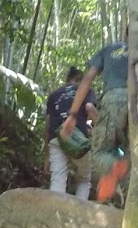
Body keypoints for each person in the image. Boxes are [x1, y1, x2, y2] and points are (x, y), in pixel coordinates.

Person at [61, 35, 129, 201]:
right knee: (131, 151)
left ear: (126, 34)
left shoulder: (109, 49)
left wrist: (72, 114)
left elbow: (88, 79)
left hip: (114, 99)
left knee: (99, 152)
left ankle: (114, 168)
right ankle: (123, 197)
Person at [44, 67, 97, 199]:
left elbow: (48, 125)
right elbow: (89, 108)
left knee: (57, 178)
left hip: (56, 138)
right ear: (80, 79)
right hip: (77, 139)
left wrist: (46, 156)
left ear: (67, 79)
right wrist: (102, 126)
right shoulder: (86, 91)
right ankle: (79, 214)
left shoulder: (54, 95)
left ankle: (56, 213)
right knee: (84, 179)